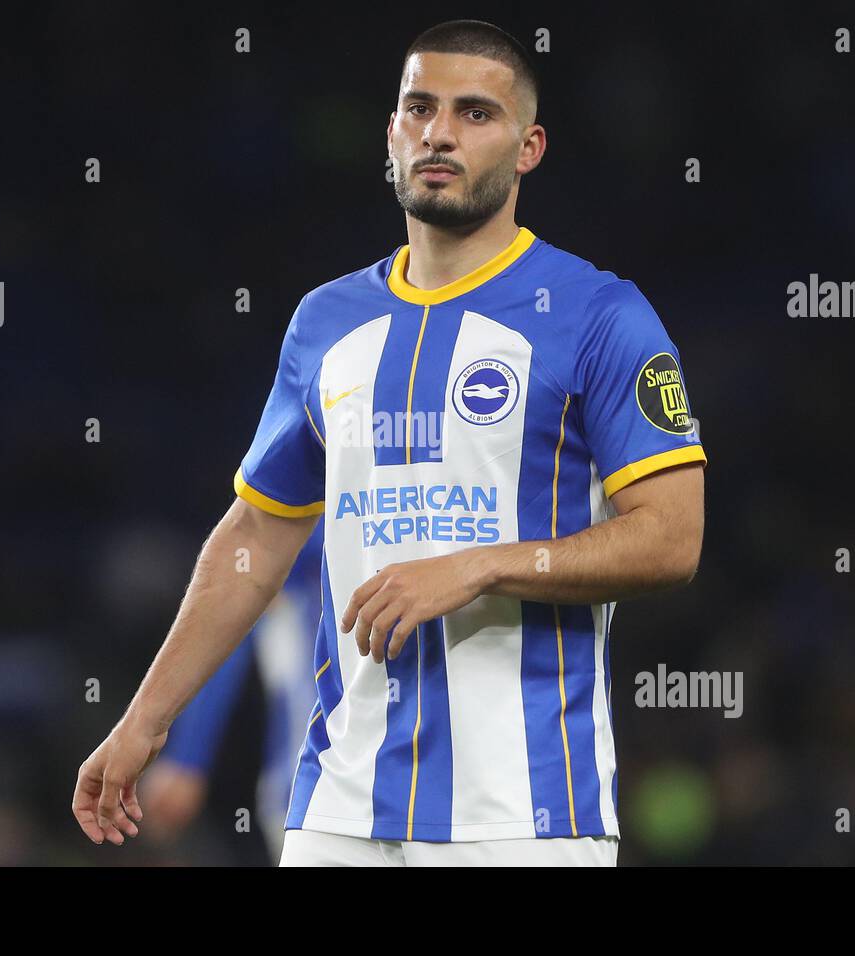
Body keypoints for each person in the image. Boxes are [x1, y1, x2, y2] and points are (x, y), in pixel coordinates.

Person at [73, 18, 707, 866]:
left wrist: (482, 563)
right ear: (392, 133)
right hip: (336, 807)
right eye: (420, 108)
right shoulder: (325, 323)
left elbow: (672, 537)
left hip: (523, 814)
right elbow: (256, 538)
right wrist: (144, 722)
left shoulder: (601, 315)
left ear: (530, 148)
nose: (440, 133)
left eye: (477, 114)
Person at [141, 525, 322, 861]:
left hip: (406, 777)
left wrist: (187, 758)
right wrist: (187, 755)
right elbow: (234, 611)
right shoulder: (313, 492)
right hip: (311, 784)